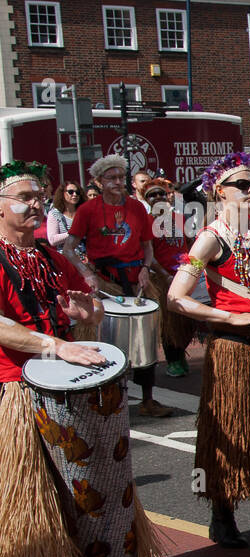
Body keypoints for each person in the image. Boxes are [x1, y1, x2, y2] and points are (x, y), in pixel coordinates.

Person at [0, 159, 160, 557]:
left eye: (38, 197)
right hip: (15, 386)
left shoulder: (50, 257)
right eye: (24, 198)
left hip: (60, 384)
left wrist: (86, 314)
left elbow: (82, 309)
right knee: (34, 497)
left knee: (76, 487)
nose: (36, 205)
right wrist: (55, 343)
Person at [167, 151, 250, 548]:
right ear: (219, 193)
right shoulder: (211, 237)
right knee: (230, 428)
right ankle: (221, 513)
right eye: (242, 186)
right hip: (234, 347)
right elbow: (177, 297)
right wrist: (231, 319)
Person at [68, 155, 174, 417]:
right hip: (104, 283)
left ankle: (148, 400)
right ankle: (106, 401)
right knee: (105, 344)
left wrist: (145, 270)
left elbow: (148, 247)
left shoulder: (137, 209)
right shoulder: (87, 210)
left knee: (145, 340)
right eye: (111, 178)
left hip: (137, 283)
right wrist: (87, 274)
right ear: (98, 182)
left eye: (120, 178)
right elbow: (69, 248)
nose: (117, 182)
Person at [142, 178, 196, 377]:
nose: (157, 197)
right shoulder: (146, 221)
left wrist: (193, 267)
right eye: (152, 195)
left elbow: (191, 244)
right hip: (161, 279)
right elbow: (148, 252)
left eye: (161, 194)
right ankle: (173, 359)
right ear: (146, 199)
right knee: (170, 323)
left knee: (189, 320)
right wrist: (164, 275)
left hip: (184, 275)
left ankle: (180, 353)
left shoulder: (179, 218)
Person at [46, 180, 83, 254]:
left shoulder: (84, 212)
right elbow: (52, 240)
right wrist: (74, 233)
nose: (75, 194)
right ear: (62, 194)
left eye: (77, 192)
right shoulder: (55, 214)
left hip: (85, 255)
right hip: (65, 256)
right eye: (70, 192)